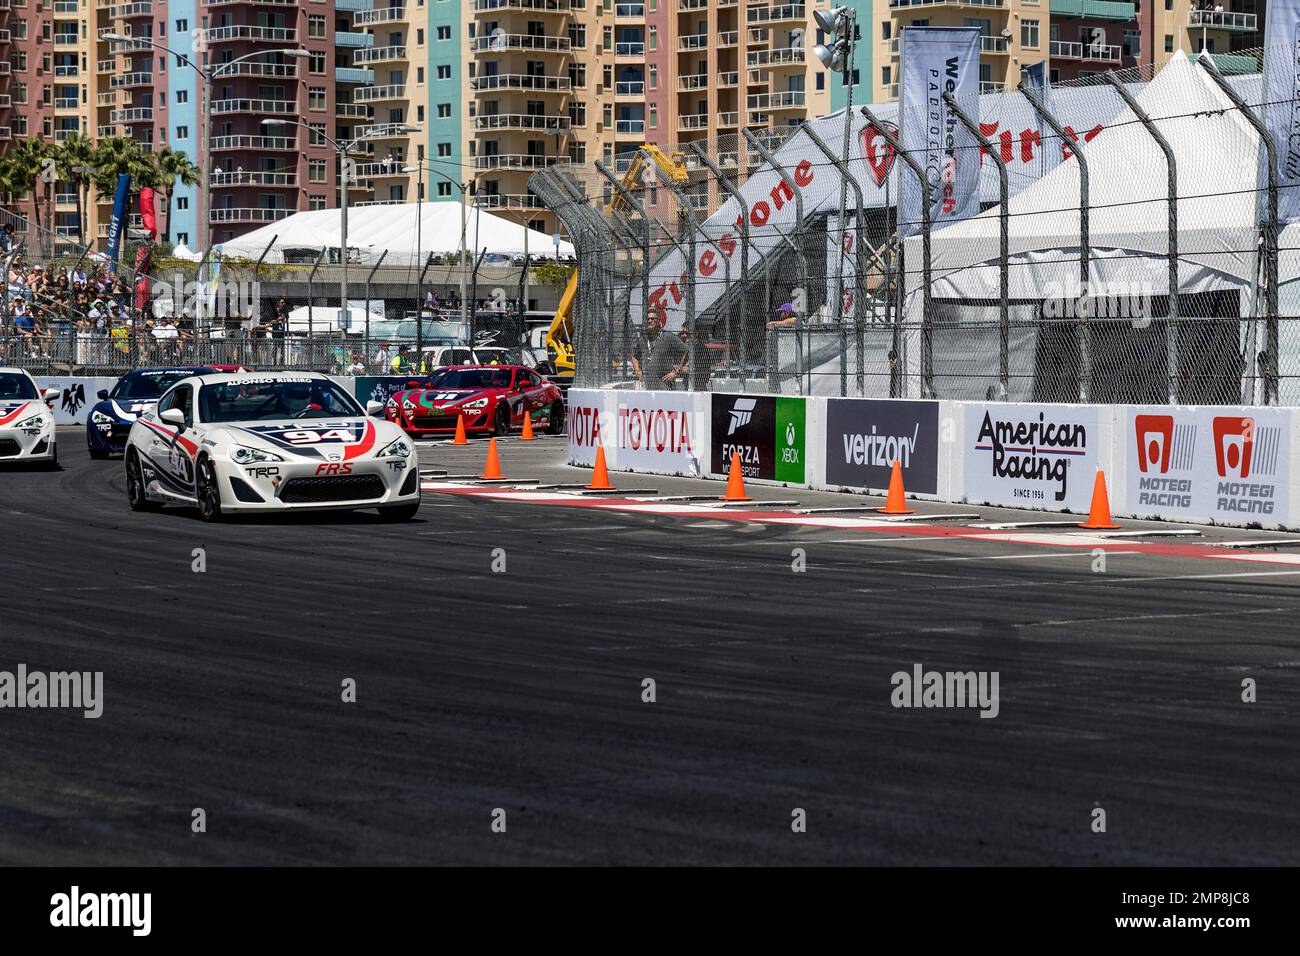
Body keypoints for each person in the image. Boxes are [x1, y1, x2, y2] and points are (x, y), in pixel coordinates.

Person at [631, 306, 687, 389]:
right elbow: (634, 355)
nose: (650, 321)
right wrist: (637, 371)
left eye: (652, 318)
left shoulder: (668, 337)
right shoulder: (643, 339)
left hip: (665, 386)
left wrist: (676, 371)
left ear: (658, 321)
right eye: (648, 319)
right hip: (647, 387)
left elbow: (686, 351)